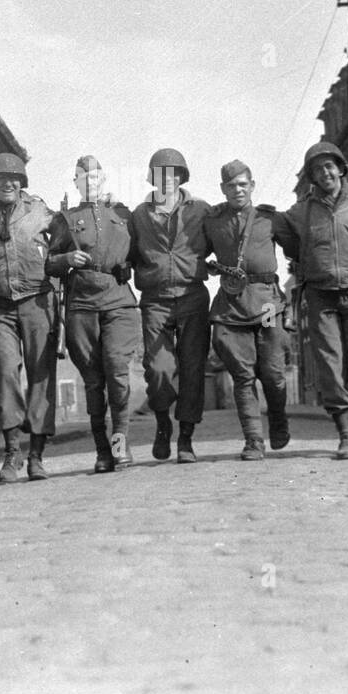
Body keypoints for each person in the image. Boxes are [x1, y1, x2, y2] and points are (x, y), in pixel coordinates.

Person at [274, 142, 348, 460]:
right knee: (331, 369)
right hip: (320, 297)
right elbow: (276, 225)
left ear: (342, 168)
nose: (325, 173)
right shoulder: (301, 212)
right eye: (318, 170)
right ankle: (346, 434)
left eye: (330, 166)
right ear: (312, 178)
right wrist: (298, 252)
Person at [0, 153, 59, 482]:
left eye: (15, 178)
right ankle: (12, 451)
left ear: (23, 183)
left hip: (37, 301)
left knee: (40, 373)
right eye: (1, 178)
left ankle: (36, 454)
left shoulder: (40, 210)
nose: (8, 183)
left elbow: (68, 239)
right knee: (4, 372)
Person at [47, 156, 141, 473]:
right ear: (76, 183)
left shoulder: (124, 214)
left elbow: (143, 252)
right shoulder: (64, 219)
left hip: (117, 298)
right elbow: (48, 262)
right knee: (92, 380)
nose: (92, 182)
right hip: (82, 303)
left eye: (97, 177)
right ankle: (102, 451)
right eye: (84, 178)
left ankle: (120, 443)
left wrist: (130, 266)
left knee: (116, 368)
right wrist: (65, 259)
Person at [128, 148, 212, 463]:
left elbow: (221, 242)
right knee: (159, 368)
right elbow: (126, 251)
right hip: (155, 299)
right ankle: (163, 423)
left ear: (181, 177)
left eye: (173, 173)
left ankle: (186, 439)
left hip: (192, 296)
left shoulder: (201, 210)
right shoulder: (139, 214)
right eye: (160, 173)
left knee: (192, 369)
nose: (167, 179)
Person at [204, 160, 289, 460]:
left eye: (243, 184)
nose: (237, 190)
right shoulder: (212, 221)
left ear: (252, 186)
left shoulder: (270, 219)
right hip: (232, 307)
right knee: (242, 375)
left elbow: (296, 249)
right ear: (223, 189)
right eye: (231, 185)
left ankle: (278, 420)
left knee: (273, 371)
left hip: (267, 304)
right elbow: (194, 254)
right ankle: (254, 440)